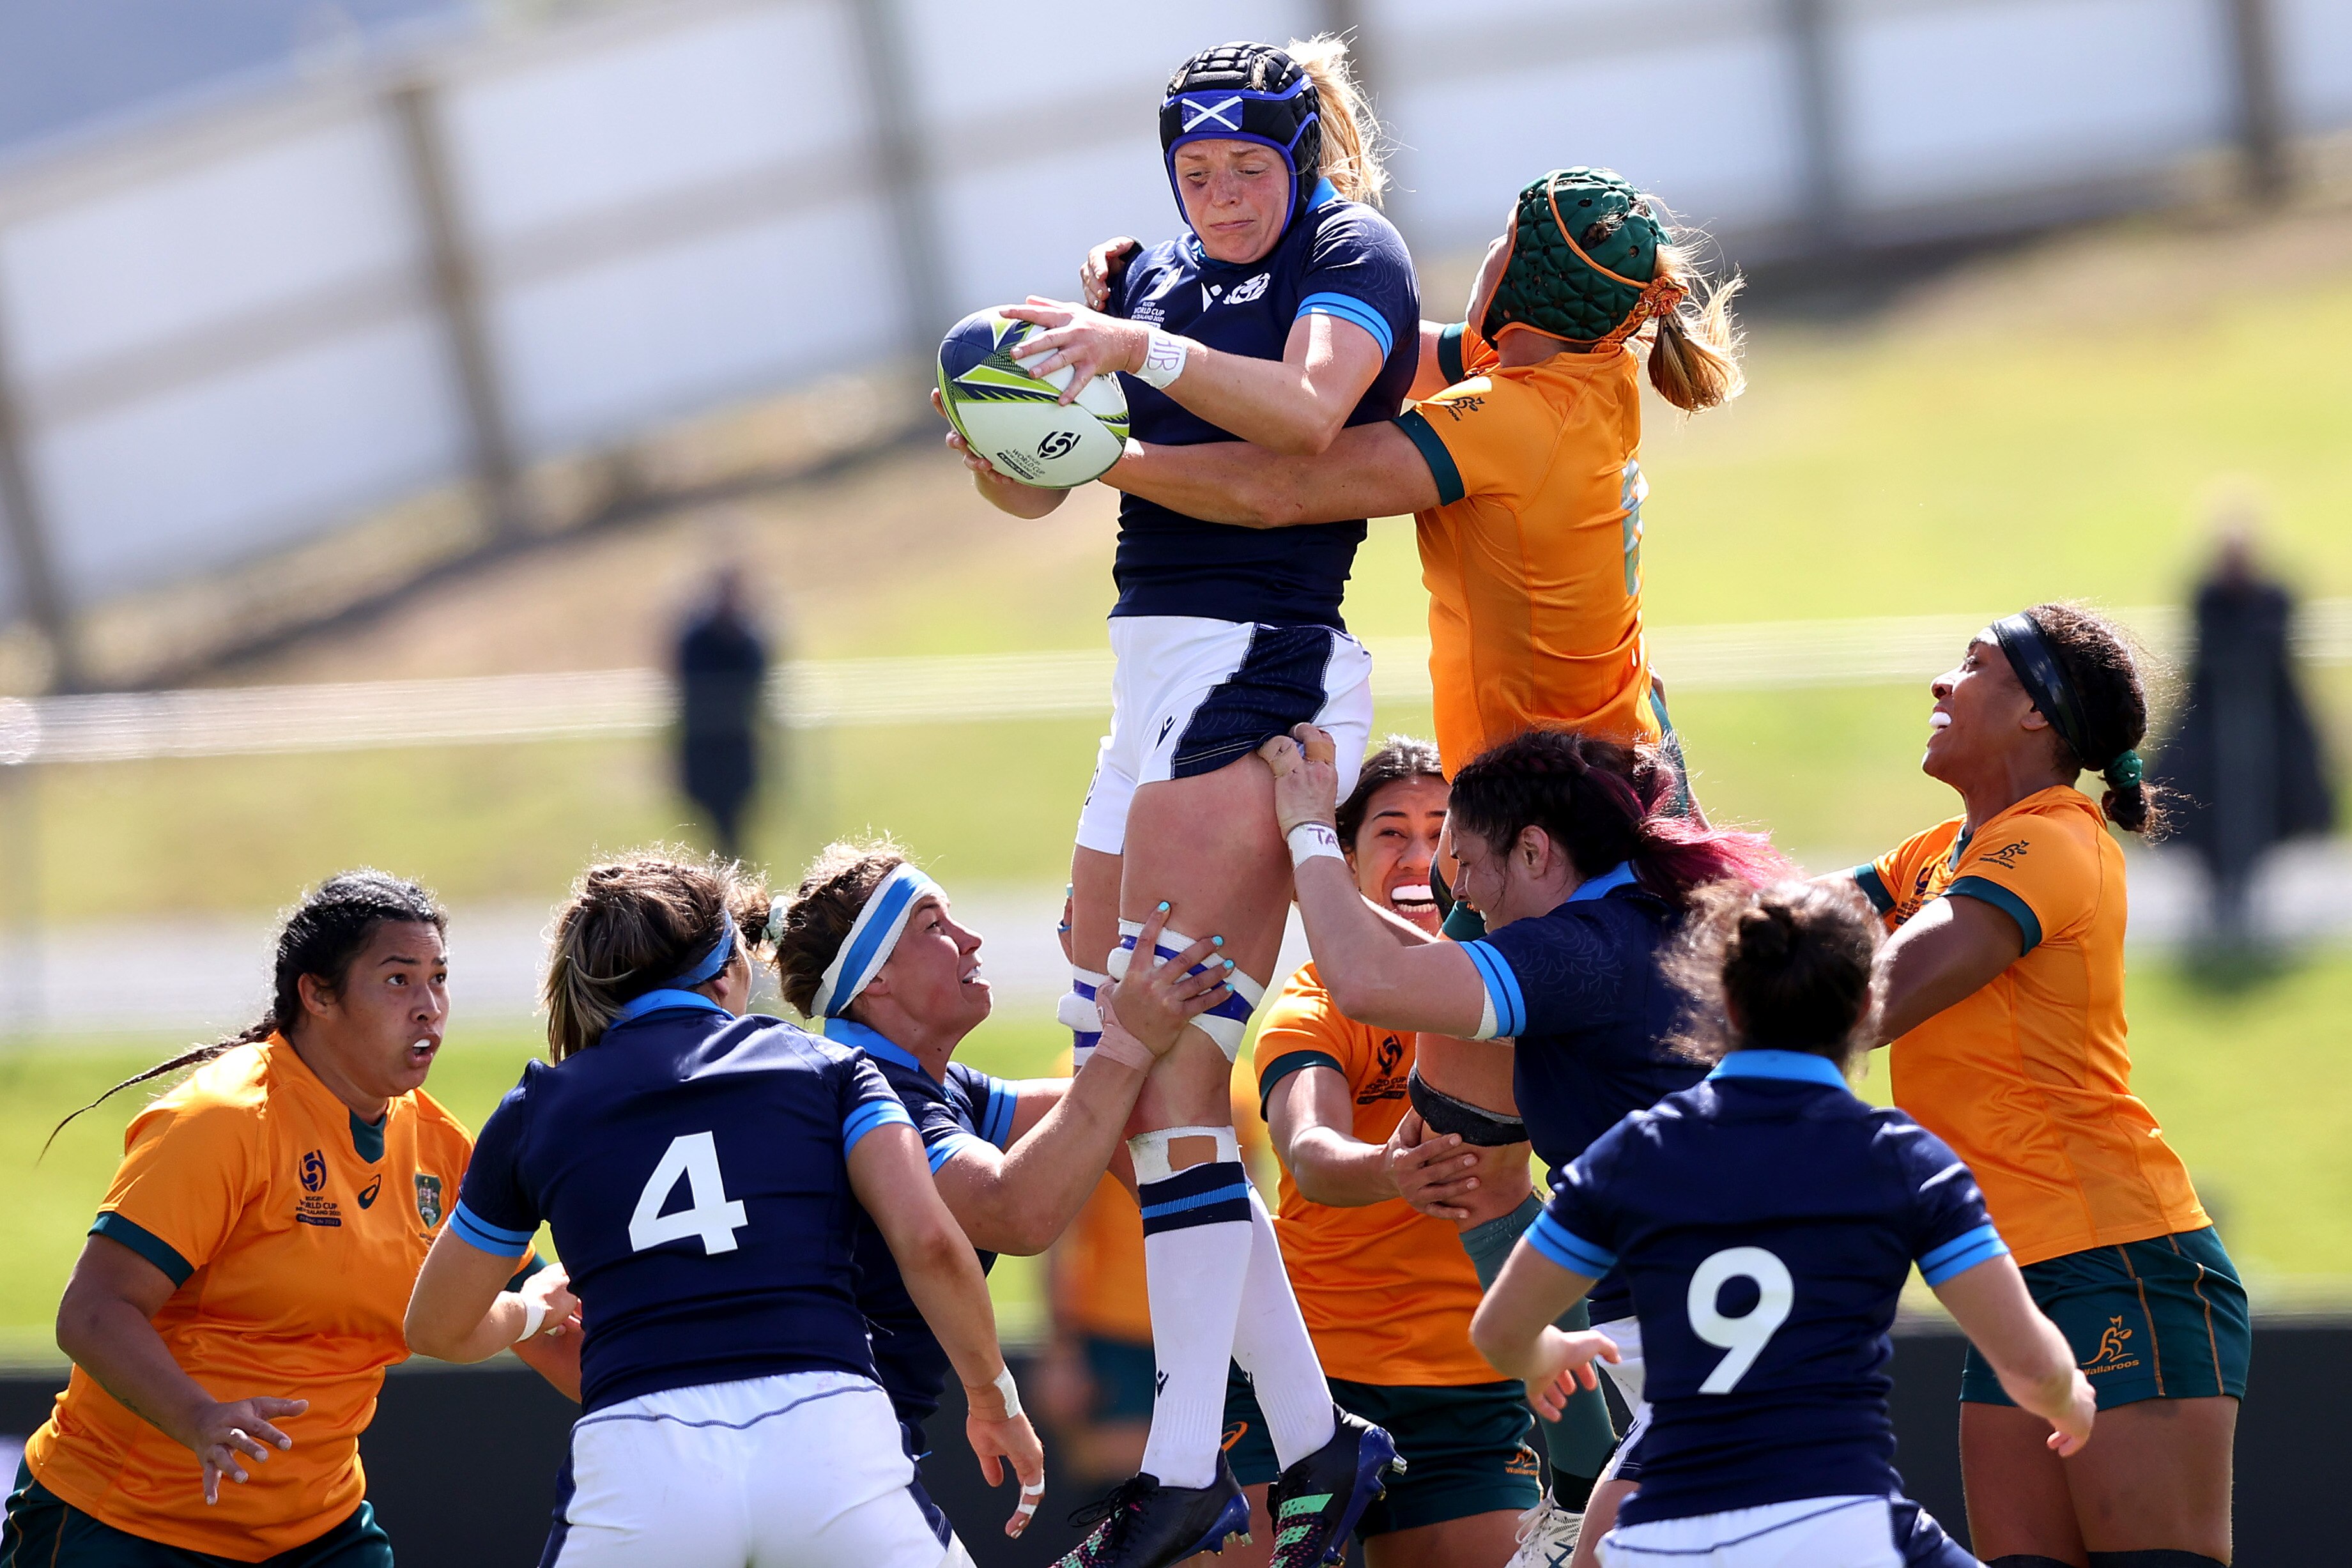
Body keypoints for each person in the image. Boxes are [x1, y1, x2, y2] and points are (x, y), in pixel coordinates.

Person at [938, 36, 1419, 1568]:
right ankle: (1314, 1438)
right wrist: (1005, 421)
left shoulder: (1347, 250)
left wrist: (1124, 360)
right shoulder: (1134, 272)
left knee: (1163, 1071)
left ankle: (1185, 1463)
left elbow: (1303, 415)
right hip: (1142, 669)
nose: (1215, 199)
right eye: (1193, 173)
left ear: (1301, 163)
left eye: (1242, 170)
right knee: (1120, 1034)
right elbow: (1047, 483)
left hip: (1255, 657)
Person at [403, 851, 1045, 1568]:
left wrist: (530, 1310)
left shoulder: (535, 1109)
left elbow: (434, 1325)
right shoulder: (832, 1070)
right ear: (728, 969)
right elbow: (930, 1244)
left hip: (644, 1465)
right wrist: (994, 1400)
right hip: (829, 1443)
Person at [1258, 725, 1794, 1567]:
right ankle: (1578, 1491)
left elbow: (1370, 980)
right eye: (1396, 834)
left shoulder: (1571, 952)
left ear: (1536, 852)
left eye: (1462, 859)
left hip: (1692, 1345)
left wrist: (1303, 832)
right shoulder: (1639, 917)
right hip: (1715, 1328)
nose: (1453, 889)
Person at [1467, 879, 2095, 1568]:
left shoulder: (1632, 1151)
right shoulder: (1903, 1160)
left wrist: (1545, 1355)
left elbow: (1499, 1333)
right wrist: (2069, 1399)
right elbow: (2028, 1364)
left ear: (1723, 1003)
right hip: (1834, 1530)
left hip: (1659, 1542)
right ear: (1864, 1008)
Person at [5, 872, 577, 1567]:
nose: (429, 1007)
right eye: (399, 980)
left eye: (439, 978)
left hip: (316, 1535)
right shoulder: (224, 1121)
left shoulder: (441, 1148)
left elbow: (556, 1323)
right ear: (317, 994)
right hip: (125, 1524)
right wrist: (199, 1418)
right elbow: (92, 1313)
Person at [1095, 165, 1743, 776]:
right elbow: (1374, 347)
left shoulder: (1507, 417)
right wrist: (1170, 282)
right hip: (1609, 749)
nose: (1492, 246)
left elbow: (1278, 489)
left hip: (1564, 791)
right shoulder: (1587, 362)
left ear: (1528, 279)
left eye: (1507, 238)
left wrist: (1096, 454)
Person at [1849, 604, 2249, 1567]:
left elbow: (1875, 997)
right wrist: (1664, 839)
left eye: (1974, 664)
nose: (1942, 683)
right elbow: (1769, 923)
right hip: (2012, 1285)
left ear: (2035, 710)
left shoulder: (2053, 841)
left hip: (2120, 1259)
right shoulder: (1936, 853)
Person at [762, 840, 1227, 1541]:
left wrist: (1117, 986)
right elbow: (1017, 1212)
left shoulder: (938, 1084)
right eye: (933, 926)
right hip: (814, 1457)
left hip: (842, 1448)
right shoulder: (873, 1091)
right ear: (875, 982)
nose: (970, 938)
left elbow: (1110, 1110)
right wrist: (1127, 1040)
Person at [1233, 736, 1544, 1567]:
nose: (1419, 856)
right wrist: (1391, 1170)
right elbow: (1307, 1149)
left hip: (1469, 1392)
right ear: (1343, 856)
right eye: (1390, 832)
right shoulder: (1316, 1005)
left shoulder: (1521, 987)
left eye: (1441, 831)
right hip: (1308, 1382)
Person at [2149, 523, 2335, 946]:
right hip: (2209, 722)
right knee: (2189, 785)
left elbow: (2276, 651)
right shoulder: (2208, 597)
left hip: (2271, 719)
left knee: (2288, 788)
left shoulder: (2274, 596)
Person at [674, 567, 771, 859]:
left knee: (736, 835)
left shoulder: (748, 637)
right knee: (713, 834)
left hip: (737, 752)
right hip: (704, 752)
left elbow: (757, 681)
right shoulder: (696, 639)